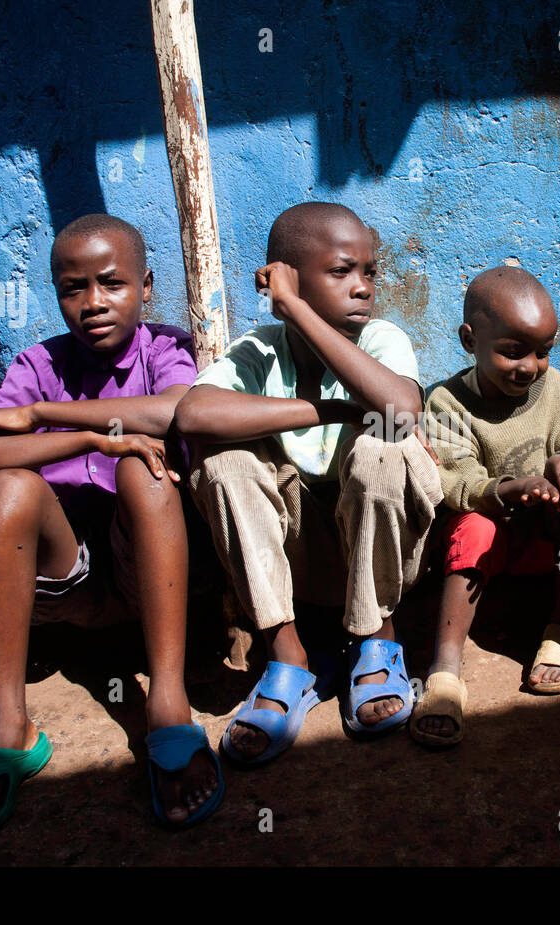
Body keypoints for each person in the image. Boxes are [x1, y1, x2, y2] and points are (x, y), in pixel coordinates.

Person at [0, 213, 222, 839]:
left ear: (146, 288)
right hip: (64, 576)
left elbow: (177, 411)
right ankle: (9, 726)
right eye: (73, 288)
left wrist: (49, 420)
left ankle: (167, 702)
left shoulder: (167, 350)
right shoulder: (38, 362)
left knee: (145, 469)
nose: (93, 303)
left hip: (145, 567)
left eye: (112, 284)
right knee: (9, 487)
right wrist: (86, 438)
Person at [175, 201, 443, 765]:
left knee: (382, 452)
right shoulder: (261, 348)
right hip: (296, 562)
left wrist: (303, 312)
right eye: (342, 271)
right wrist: (324, 408)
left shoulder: (381, 340)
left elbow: (399, 409)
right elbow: (194, 416)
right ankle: (288, 656)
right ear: (286, 277)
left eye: (370, 271)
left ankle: (378, 642)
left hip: (371, 561)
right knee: (223, 463)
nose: (363, 288)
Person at [415, 265, 560, 741]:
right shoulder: (446, 402)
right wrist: (505, 490)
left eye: (544, 351)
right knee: (474, 525)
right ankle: (444, 669)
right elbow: (455, 479)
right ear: (469, 339)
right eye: (512, 352)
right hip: (490, 541)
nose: (530, 366)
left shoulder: (554, 388)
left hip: (549, 540)